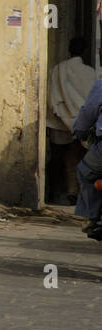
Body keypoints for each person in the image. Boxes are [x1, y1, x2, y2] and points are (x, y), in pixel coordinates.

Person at [46, 36, 96, 205]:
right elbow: (92, 101)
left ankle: (57, 192)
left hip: (59, 122)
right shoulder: (90, 73)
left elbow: (51, 96)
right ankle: (77, 192)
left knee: (58, 158)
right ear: (84, 51)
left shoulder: (58, 69)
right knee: (80, 158)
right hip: (81, 123)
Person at [72, 71, 102, 240]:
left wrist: (79, 132)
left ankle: (91, 217)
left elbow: (88, 113)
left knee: (85, 172)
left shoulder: (101, 85)